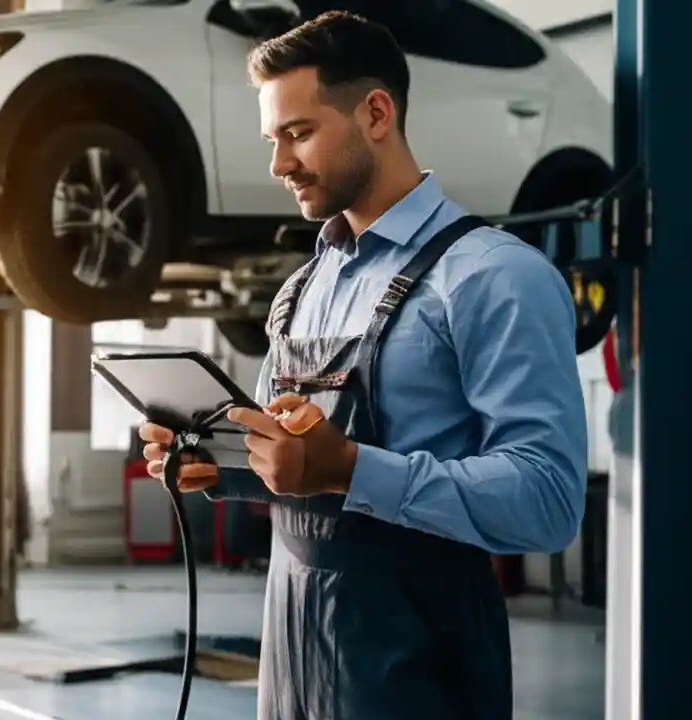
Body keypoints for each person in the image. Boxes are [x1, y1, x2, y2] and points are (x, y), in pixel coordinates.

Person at [139, 10, 587, 719]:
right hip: (291, 648)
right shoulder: (301, 290)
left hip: (420, 658)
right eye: (272, 140)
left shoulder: (495, 277)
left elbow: (549, 501)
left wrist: (347, 468)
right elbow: (283, 457)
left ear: (376, 112)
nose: (279, 164)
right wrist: (213, 462)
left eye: (298, 133)